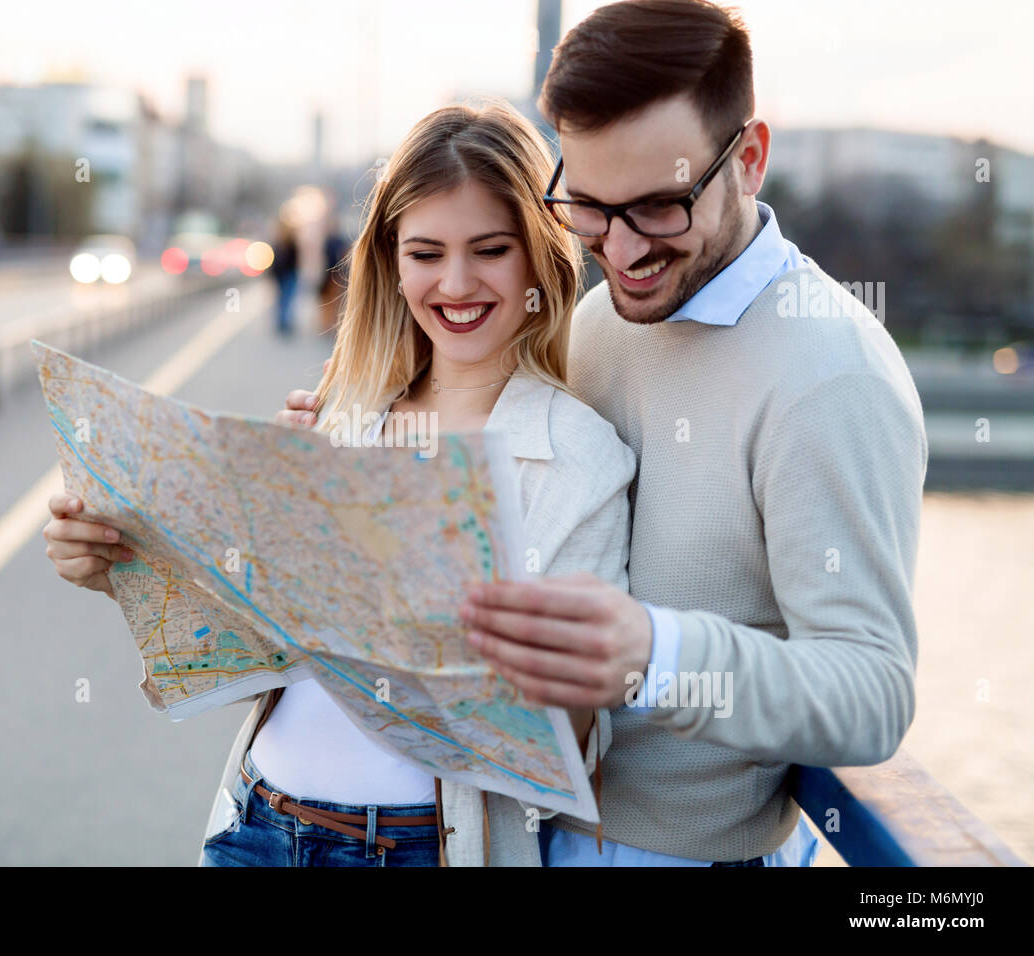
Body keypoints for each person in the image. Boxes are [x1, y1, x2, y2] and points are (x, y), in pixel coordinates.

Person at [282, 0, 927, 866]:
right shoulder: (599, 322)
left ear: (750, 160)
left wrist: (657, 655)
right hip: (508, 832)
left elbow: (872, 694)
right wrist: (338, 459)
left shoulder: (830, 377)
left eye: (658, 206)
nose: (619, 249)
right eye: (587, 205)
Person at [43, 98, 636, 866]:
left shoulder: (582, 458)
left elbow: (580, 741)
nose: (456, 283)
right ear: (389, 261)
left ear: (539, 256)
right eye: (425, 253)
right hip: (256, 822)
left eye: (489, 249)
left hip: (412, 847)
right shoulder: (341, 415)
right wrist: (118, 559)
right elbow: (259, 637)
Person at [270, 218, 300, 335]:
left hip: (283, 275)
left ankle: (282, 322)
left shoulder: (278, 243)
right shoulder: (291, 242)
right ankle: (285, 322)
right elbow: (296, 260)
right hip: (289, 274)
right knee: (287, 299)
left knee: (282, 299)